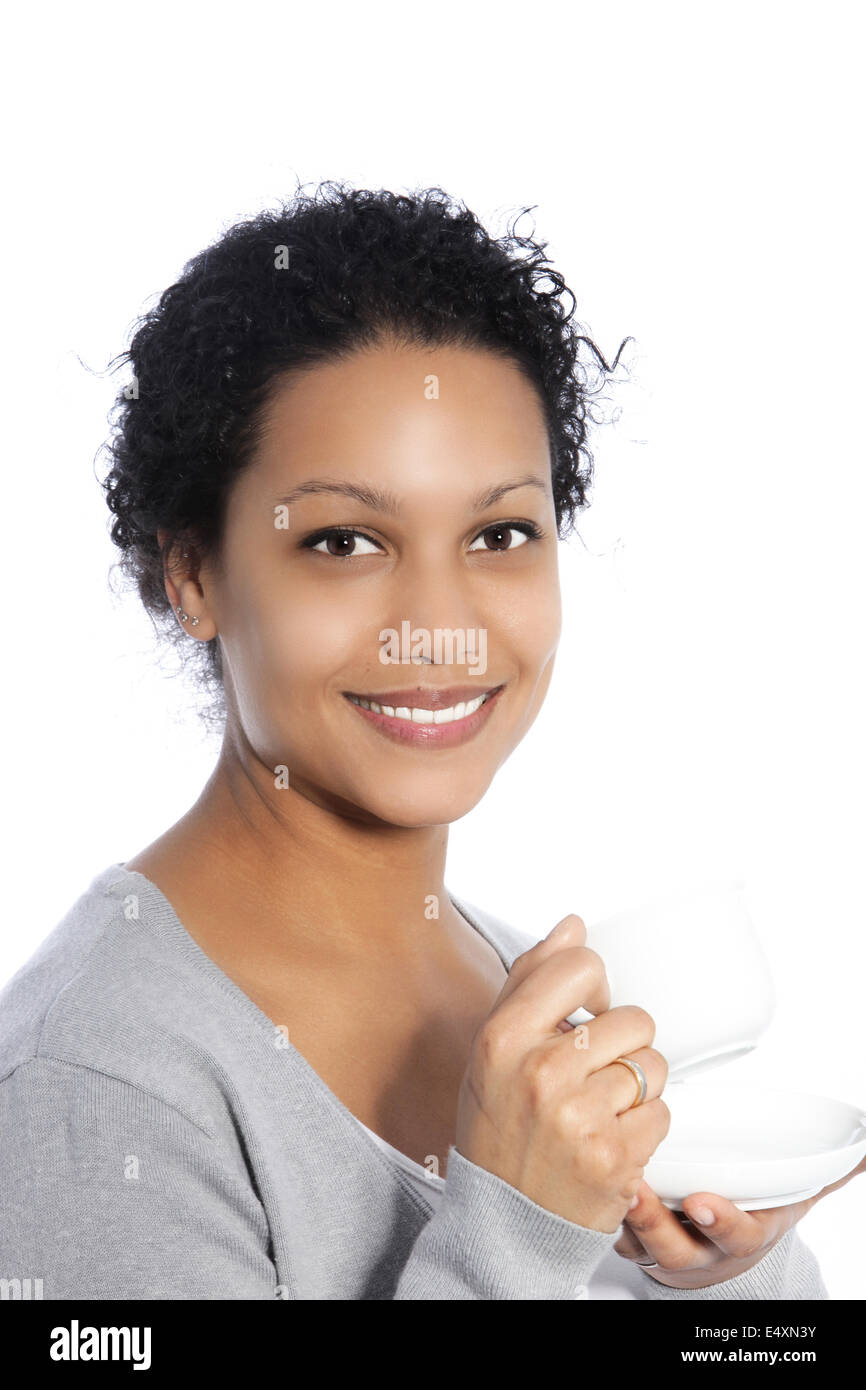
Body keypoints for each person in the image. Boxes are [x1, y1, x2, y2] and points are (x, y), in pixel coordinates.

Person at [0, 182, 840, 1299]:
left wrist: (723, 1282)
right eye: (344, 540)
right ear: (194, 573)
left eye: (499, 532)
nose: (439, 627)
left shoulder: (533, 997)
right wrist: (518, 1237)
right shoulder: (98, 1083)